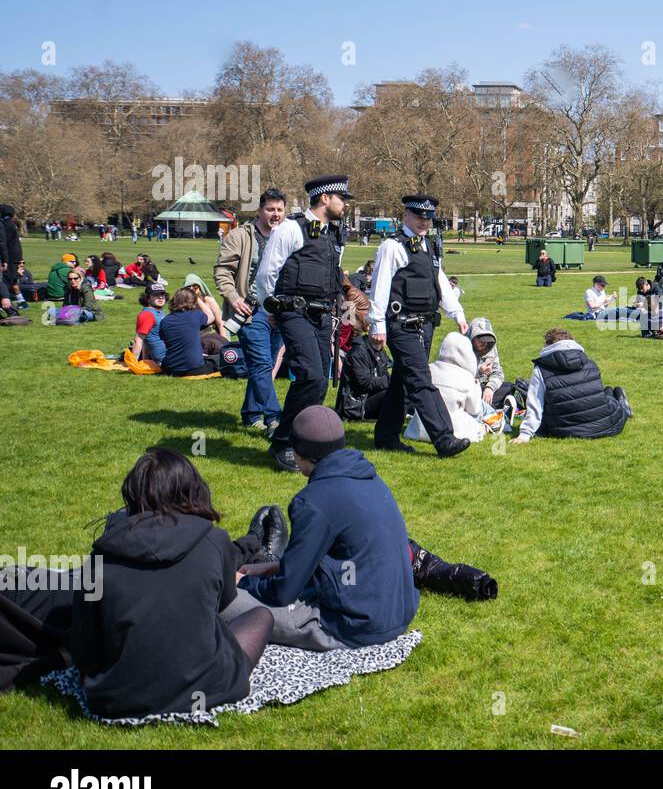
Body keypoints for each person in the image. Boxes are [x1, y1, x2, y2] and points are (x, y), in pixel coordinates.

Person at [67, 448, 272, 719]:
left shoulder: (101, 557)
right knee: (261, 616)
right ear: (191, 489)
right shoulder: (214, 540)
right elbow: (220, 603)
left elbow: (85, 642)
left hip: (116, 698)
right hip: (205, 687)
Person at [225, 406, 420, 650]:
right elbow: (340, 553)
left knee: (219, 599)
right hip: (398, 612)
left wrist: (242, 581)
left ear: (298, 452)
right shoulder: (368, 477)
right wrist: (267, 568)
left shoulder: (313, 502)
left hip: (354, 625)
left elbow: (282, 593)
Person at [255, 175, 351, 472]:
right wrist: (270, 307)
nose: (345, 205)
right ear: (325, 199)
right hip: (294, 311)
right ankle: (282, 442)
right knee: (310, 376)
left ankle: (305, 445)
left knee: (320, 381)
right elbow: (266, 275)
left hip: (322, 315)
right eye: (342, 199)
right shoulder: (290, 228)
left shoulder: (334, 235)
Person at [367, 195, 470, 459]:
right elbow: (379, 287)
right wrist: (377, 324)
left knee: (403, 382)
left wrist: (456, 313)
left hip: (424, 325)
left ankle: (386, 436)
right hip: (401, 325)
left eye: (428, 218)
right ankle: (445, 439)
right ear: (405, 217)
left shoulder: (429, 246)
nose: (424, 222)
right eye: (419, 217)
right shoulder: (392, 246)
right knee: (422, 381)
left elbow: (440, 281)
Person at [215, 187, 287, 433]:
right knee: (262, 364)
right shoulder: (239, 236)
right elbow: (222, 271)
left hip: (277, 312)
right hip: (248, 311)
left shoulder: (287, 236)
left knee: (264, 365)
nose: (275, 214)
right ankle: (274, 419)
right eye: (270, 209)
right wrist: (234, 298)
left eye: (279, 209)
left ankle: (251, 413)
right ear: (259, 210)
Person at [511, 328, 631, 443]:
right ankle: (622, 404)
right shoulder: (590, 363)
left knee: (606, 393)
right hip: (603, 425)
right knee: (608, 394)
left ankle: (618, 400)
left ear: (547, 345)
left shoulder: (541, 369)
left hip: (564, 429)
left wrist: (524, 435)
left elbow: (535, 405)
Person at [336, 288, 390, 421]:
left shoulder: (379, 351)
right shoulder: (358, 352)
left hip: (370, 397)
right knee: (395, 390)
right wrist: (391, 381)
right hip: (356, 405)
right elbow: (365, 383)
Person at [425, 331, 487, 443]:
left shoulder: (428, 369)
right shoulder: (466, 377)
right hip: (452, 430)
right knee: (483, 409)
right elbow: (474, 410)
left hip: (421, 428)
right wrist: (477, 388)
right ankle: (498, 420)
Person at [159, 287, 221, 376]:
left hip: (170, 368)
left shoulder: (165, 320)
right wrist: (198, 298)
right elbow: (211, 316)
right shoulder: (195, 315)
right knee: (222, 358)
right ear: (193, 301)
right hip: (194, 368)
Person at [467, 316, 513, 409]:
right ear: (472, 337)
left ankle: (485, 406)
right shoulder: (462, 348)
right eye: (481, 341)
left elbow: (498, 373)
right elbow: (457, 376)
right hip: (466, 389)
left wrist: (490, 388)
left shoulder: (490, 348)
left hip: (481, 387)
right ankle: (489, 408)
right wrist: (479, 372)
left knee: (509, 387)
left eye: (487, 341)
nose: (484, 344)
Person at [130, 282, 169, 363]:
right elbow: (139, 340)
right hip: (165, 359)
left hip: (169, 353)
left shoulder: (158, 312)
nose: (161, 297)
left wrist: (145, 360)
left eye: (163, 294)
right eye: (156, 295)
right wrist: (133, 364)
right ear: (147, 298)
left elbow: (146, 341)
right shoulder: (147, 314)